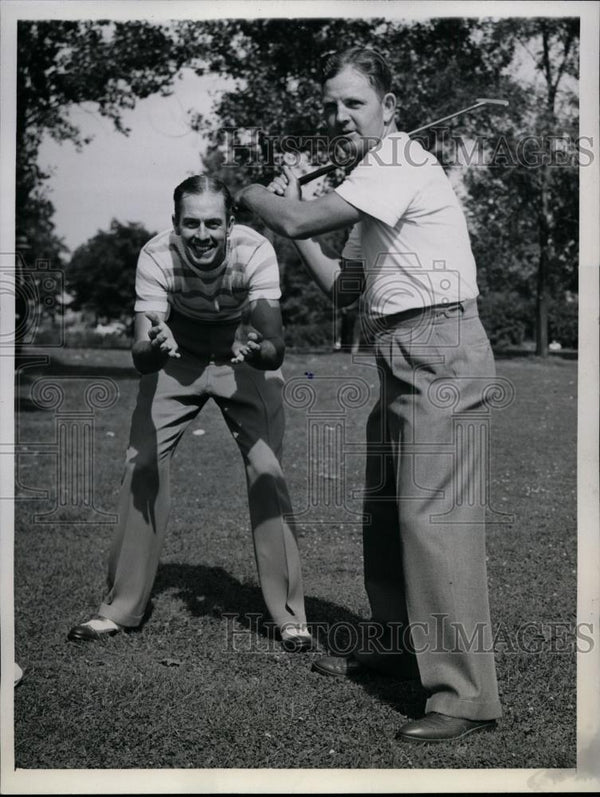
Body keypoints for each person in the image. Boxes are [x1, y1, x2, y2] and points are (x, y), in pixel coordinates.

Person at [235, 48, 502, 741]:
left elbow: (295, 220)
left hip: (441, 346)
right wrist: (295, 219)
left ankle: (465, 697)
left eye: (354, 102)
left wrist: (260, 198)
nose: (340, 116)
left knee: (432, 518)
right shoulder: (366, 191)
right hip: (397, 347)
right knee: (386, 512)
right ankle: (395, 645)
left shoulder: (399, 160)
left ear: (389, 107)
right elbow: (343, 292)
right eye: (332, 106)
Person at [68, 175, 312, 651]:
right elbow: (141, 354)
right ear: (176, 225)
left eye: (213, 224)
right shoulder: (156, 254)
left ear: (230, 224)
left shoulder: (256, 249)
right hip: (176, 357)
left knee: (267, 469)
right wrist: (156, 348)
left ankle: (290, 616)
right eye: (192, 223)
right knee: (143, 463)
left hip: (240, 357)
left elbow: (275, 349)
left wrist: (257, 347)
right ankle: (119, 609)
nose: (202, 234)